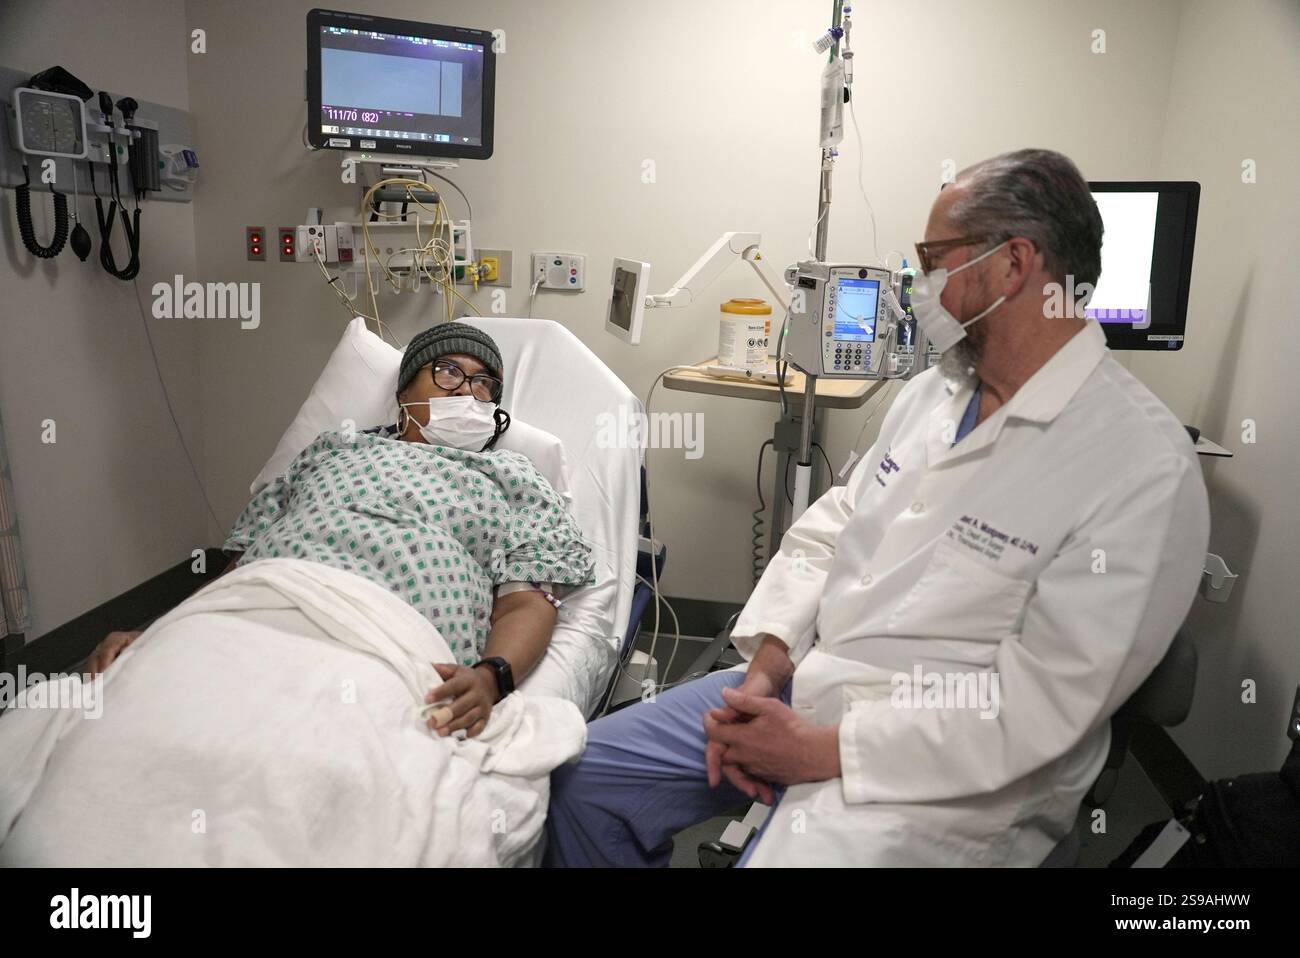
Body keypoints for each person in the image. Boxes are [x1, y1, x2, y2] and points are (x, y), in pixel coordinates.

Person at [544, 148, 1210, 867]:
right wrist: (766, 669)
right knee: (578, 779)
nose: (919, 286)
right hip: (807, 685)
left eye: (934, 259)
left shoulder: (1141, 466)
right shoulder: (936, 393)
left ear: (1013, 264)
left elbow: (1038, 707)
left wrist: (819, 751)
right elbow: (833, 527)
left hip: (949, 771)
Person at [87, 322, 593, 739]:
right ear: (403, 394)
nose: (467, 389)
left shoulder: (513, 479)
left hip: (392, 644)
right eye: (447, 371)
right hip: (261, 610)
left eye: (485, 383)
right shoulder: (335, 450)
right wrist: (159, 631)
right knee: (134, 721)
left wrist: (492, 677)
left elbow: (527, 601)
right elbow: (240, 567)